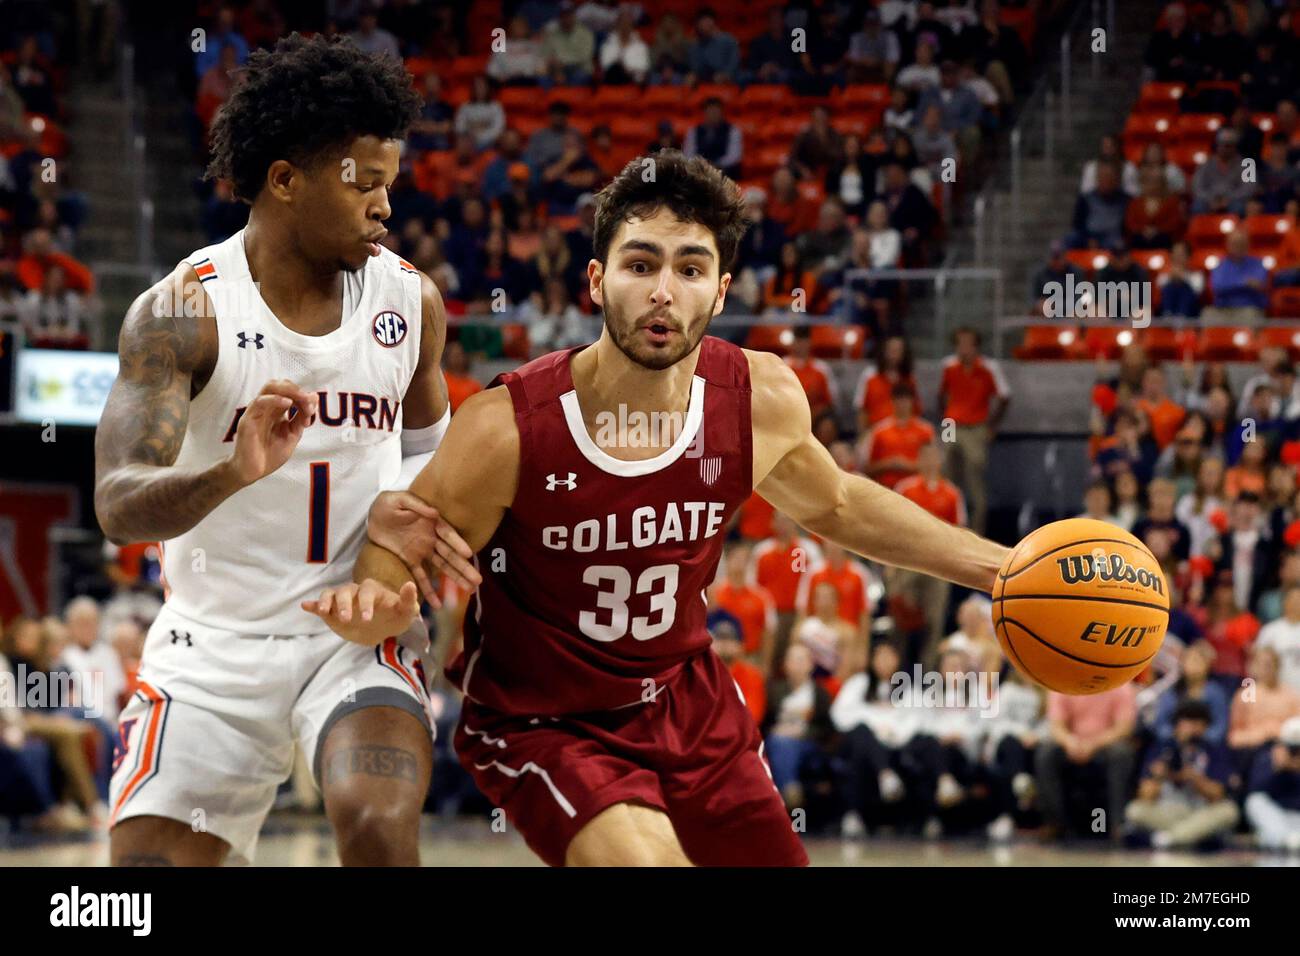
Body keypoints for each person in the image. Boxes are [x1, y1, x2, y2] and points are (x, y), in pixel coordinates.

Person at [305, 151, 1012, 867]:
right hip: (546, 717)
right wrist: (376, 601)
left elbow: (837, 503)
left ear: (722, 291)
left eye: (690, 269)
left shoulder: (757, 400)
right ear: (596, 280)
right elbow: (398, 553)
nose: (664, 292)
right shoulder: (507, 428)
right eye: (640, 265)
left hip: (689, 704)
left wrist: (1003, 568)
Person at [92, 35, 474, 867]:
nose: (384, 207)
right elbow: (119, 502)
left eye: (390, 185)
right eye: (363, 183)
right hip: (212, 647)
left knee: (375, 825)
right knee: (138, 883)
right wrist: (230, 472)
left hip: (354, 634)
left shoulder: (410, 303)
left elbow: (434, 463)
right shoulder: (182, 314)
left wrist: (398, 550)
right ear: (286, 181)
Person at [1125, 700, 1240, 849]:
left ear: (1205, 727)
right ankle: (1191, 837)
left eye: (1199, 722)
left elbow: (1217, 794)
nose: (1193, 727)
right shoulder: (1162, 748)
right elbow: (1145, 795)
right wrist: (1159, 776)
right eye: (1188, 721)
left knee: (1229, 811)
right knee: (1134, 811)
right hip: (1169, 811)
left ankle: (1167, 839)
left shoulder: (1213, 750)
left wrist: (1193, 777)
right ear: (1176, 724)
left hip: (1201, 812)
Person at [937, 326, 1010, 535]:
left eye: (968, 343)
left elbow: (1004, 397)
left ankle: (976, 533)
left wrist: (992, 426)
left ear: (976, 346)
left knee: (975, 477)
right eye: (960, 343)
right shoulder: (949, 366)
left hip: (976, 427)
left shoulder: (988, 368)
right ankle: (946, 530)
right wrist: (946, 420)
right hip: (950, 423)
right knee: (945, 473)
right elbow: (941, 395)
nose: (964, 348)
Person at [1244, 715, 1300, 852]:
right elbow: (1255, 789)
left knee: (1272, 834)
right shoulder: (1269, 756)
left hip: (1297, 815)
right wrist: (1278, 769)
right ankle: (1282, 840)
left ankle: (1273, 840)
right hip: (1275, 813)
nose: (1295, 753)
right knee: (1254, 801)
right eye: (1292, 748)